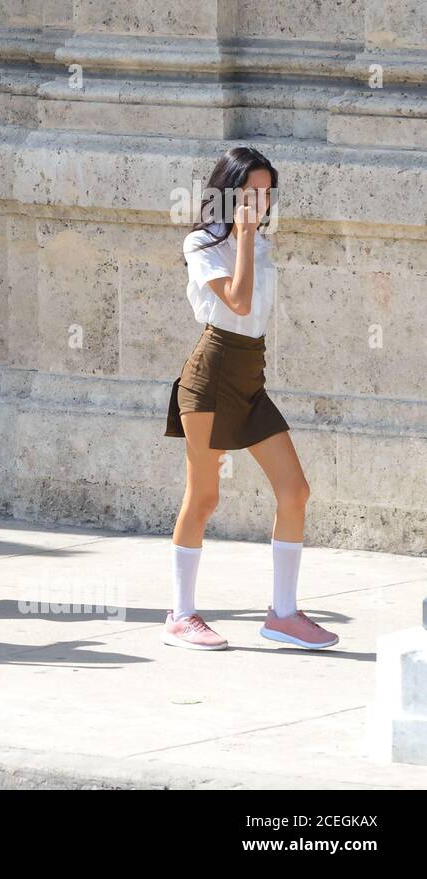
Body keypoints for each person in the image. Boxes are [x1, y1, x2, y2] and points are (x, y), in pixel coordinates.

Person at [162, 147, 338, 651]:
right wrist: (240, 238)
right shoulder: (201, 243)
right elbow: (236, 301)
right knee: (205, 496)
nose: (259, 202)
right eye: (249, 191)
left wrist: (249, 238)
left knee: (295, 490)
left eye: (266, 192)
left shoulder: (258, 242)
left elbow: (255, 312)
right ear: (227, 192)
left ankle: (282, 615)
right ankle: (181, 615)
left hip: (250, 377)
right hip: (211, 374)